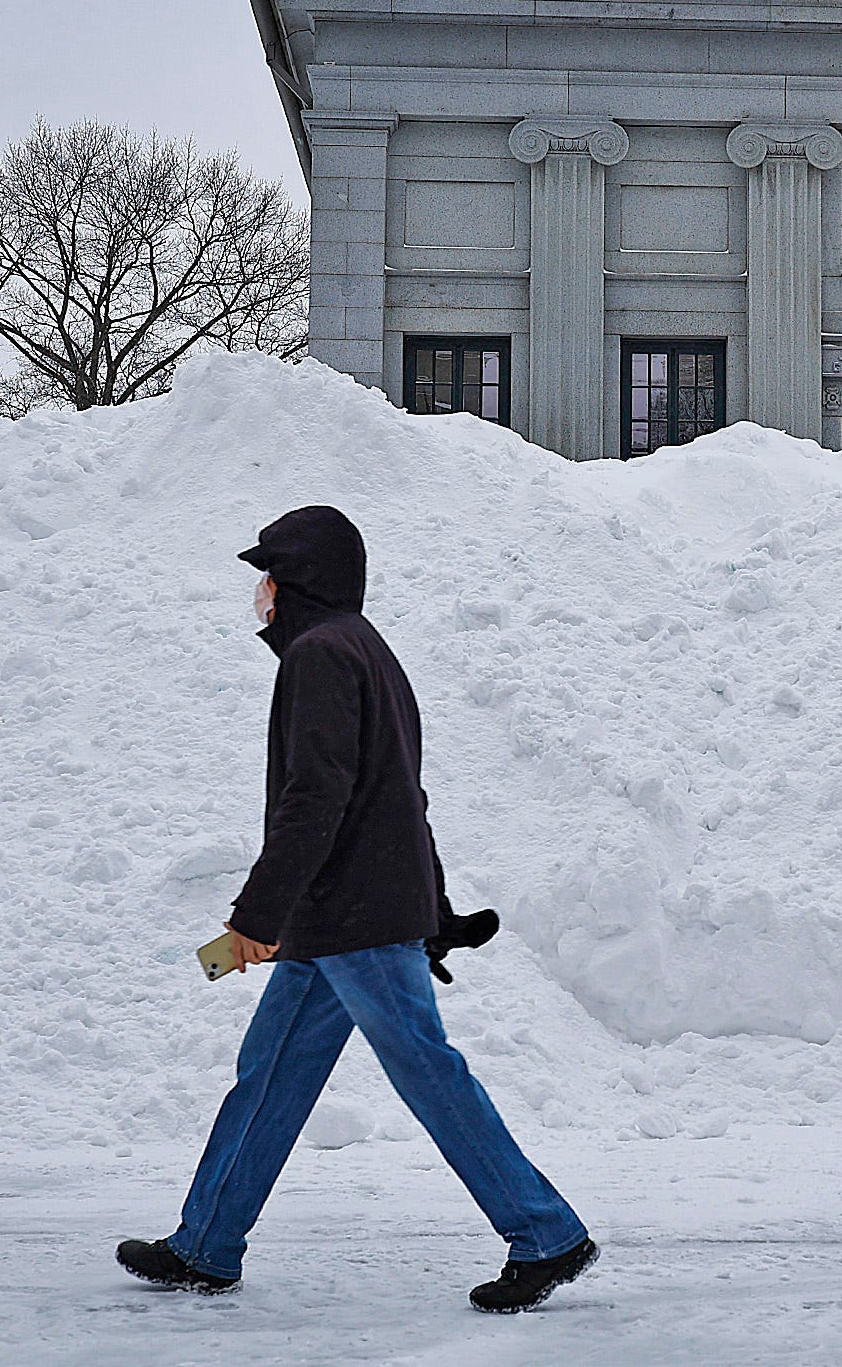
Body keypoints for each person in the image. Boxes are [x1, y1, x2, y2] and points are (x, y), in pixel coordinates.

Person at [117, 504, 596, 1313]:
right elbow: (400, 793)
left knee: (428, 1073)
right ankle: (206, 1243)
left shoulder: (319, 655)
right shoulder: (364, 650)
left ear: (297, 578)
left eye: (266, 575)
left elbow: (318, 798)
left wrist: (257, 917)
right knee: (267, 1076)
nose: (259, 591)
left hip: (352, 917)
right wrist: (431, 908)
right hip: (343, 916)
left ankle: (545, 1232)